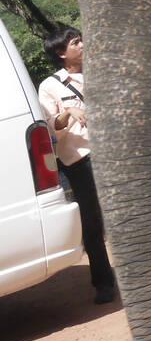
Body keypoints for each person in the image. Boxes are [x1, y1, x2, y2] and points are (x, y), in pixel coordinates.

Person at [37, 26, 117, 305]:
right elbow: (51, 127)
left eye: (81, 40)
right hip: (81, 160)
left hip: (114, 153)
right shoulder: (50, 86)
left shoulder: (101, 72)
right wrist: (68, 111)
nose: (82, 45)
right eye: (75, 42)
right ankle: (104, 283)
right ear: (61, 53)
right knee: (92, 222)